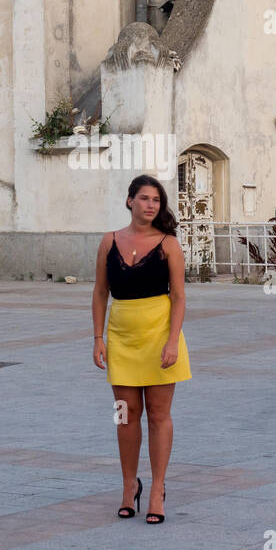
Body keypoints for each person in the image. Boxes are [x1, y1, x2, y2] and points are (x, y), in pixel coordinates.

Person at [91, 174, 192, 524]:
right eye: (144, 198)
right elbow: (100, 293)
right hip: (121, 335)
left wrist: (172, 341)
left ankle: (158, 489)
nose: (151, 205)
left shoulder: (169, 244)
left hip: (159, 334)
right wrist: (97, 337)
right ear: (130, 200)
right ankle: (128, 485)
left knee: (158, 415)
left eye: (156, 200)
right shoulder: (109, 241)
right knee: (125, 415)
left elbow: (179, 297)